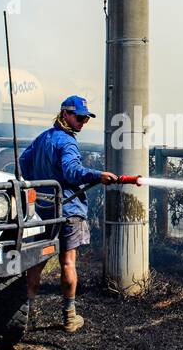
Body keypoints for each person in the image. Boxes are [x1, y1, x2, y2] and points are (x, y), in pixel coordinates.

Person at [18, 95, 116, 332]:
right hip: (68, 210)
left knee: (36, 263)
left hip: (43, 211)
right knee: (68, 263)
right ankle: (70, 318)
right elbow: (72, 172)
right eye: (80, 117)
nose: (83, 122)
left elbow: (22, 162)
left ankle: (26, 315)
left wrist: (38, 184)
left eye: (86, 118)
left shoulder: (42, 139)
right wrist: (97, 175)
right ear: (65, 114)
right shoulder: (67, 142)